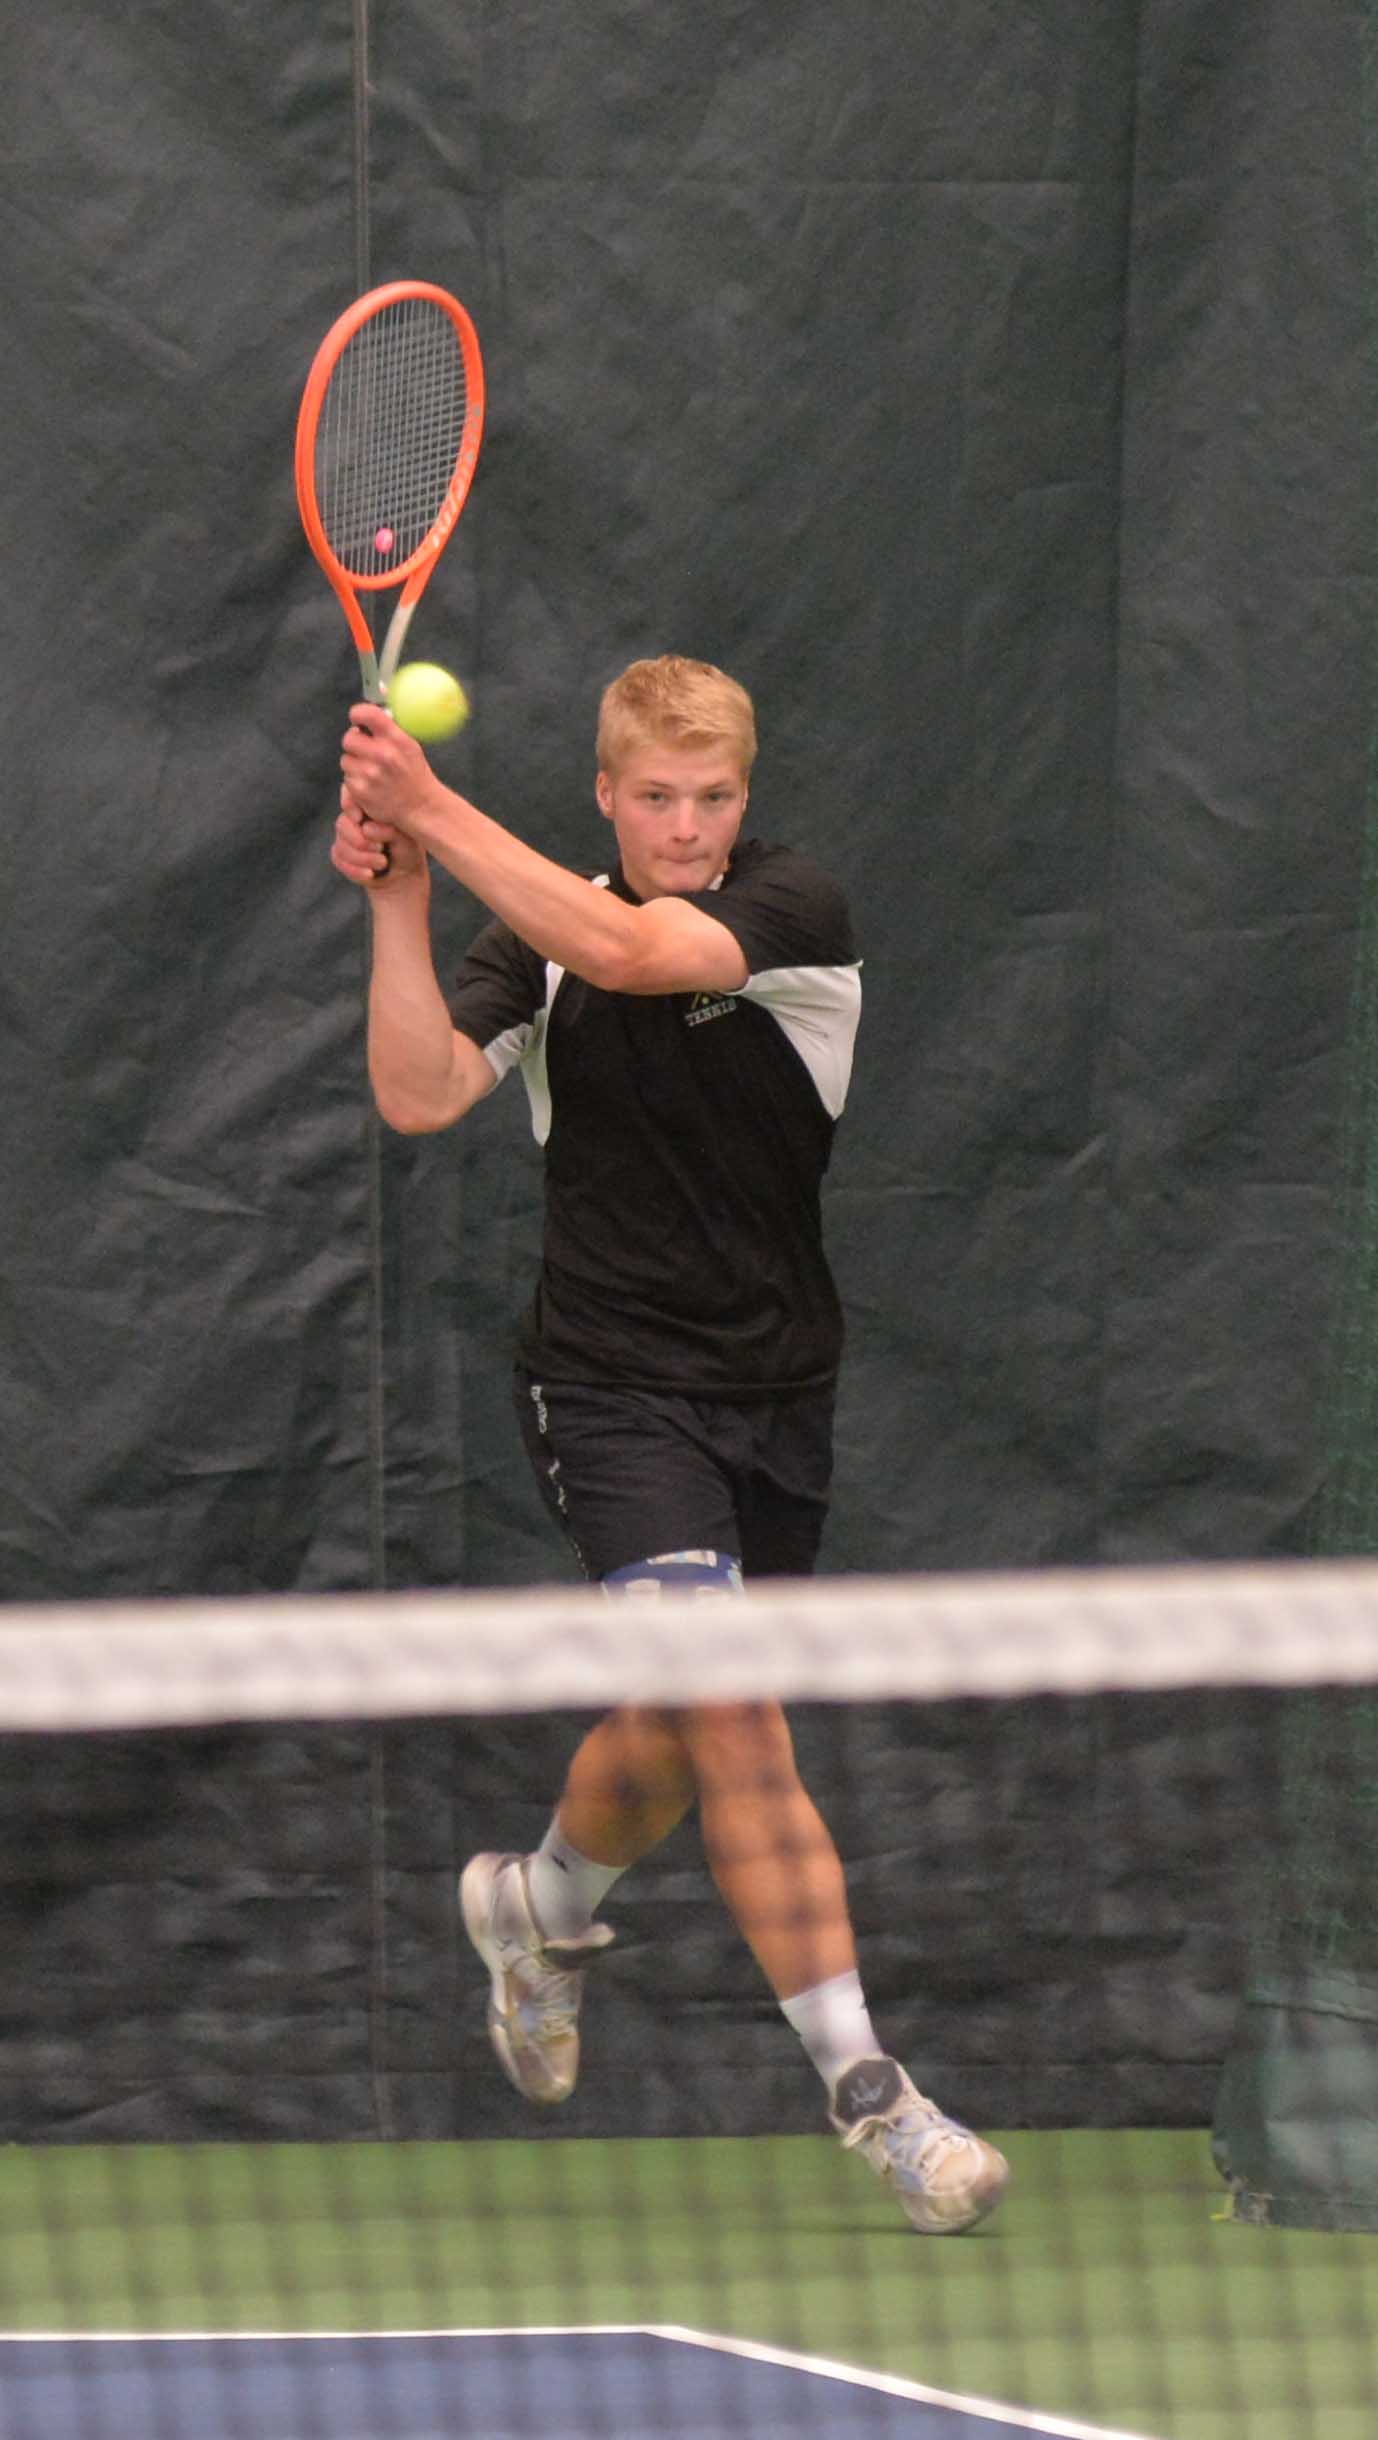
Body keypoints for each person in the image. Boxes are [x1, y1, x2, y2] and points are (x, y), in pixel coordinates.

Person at [332, 653, 1008, 2235]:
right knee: (739, 1725)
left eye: (710, 800)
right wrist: (397, 893)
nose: (685, 825)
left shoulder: (792, 912)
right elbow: (420, 1091)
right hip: (609, 1386)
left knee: (677, 1723)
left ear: (743, 805)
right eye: (655, 798)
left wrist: (427, 800)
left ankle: (537, 1904)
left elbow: (637, 953)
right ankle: (875, 2099)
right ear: (606, 793)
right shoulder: (539, 934)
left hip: (776, 1389)